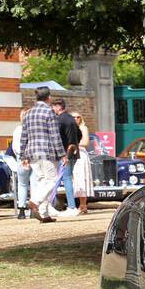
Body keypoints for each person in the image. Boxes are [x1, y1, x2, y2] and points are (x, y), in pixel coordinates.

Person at [21, 88, 65, 223]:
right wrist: (62, 154)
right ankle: (35, 202)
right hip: (47, 152)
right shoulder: (49, 112)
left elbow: (24, 136)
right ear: (49, 98)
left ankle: (44, 214)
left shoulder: (28, 114)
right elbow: (54, 135)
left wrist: (23, 156)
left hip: (32, 152)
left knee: (42, 182)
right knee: (51, 181)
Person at [52, 97, 82, 217]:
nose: (52, 109)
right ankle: (69, 205)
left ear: (59, 107)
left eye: (54, 106)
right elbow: (79, 134)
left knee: (66, 178)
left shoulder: (60, 120)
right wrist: (75, 145)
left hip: (65, 154)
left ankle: (71, 206)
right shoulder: (71, 119)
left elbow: (56, 138)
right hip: (73, 153)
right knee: (66, 178)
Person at [72, 112, 94, 214]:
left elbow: (85, 142)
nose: (76, 118)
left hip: (81, 154)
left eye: (78, 117)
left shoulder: (83, 128)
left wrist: (71, 143)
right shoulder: (69, 127)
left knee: (81, 178)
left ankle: (83, 205)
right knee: (73, 179)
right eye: (74, 117)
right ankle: (73, 204)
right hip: (71, 154)